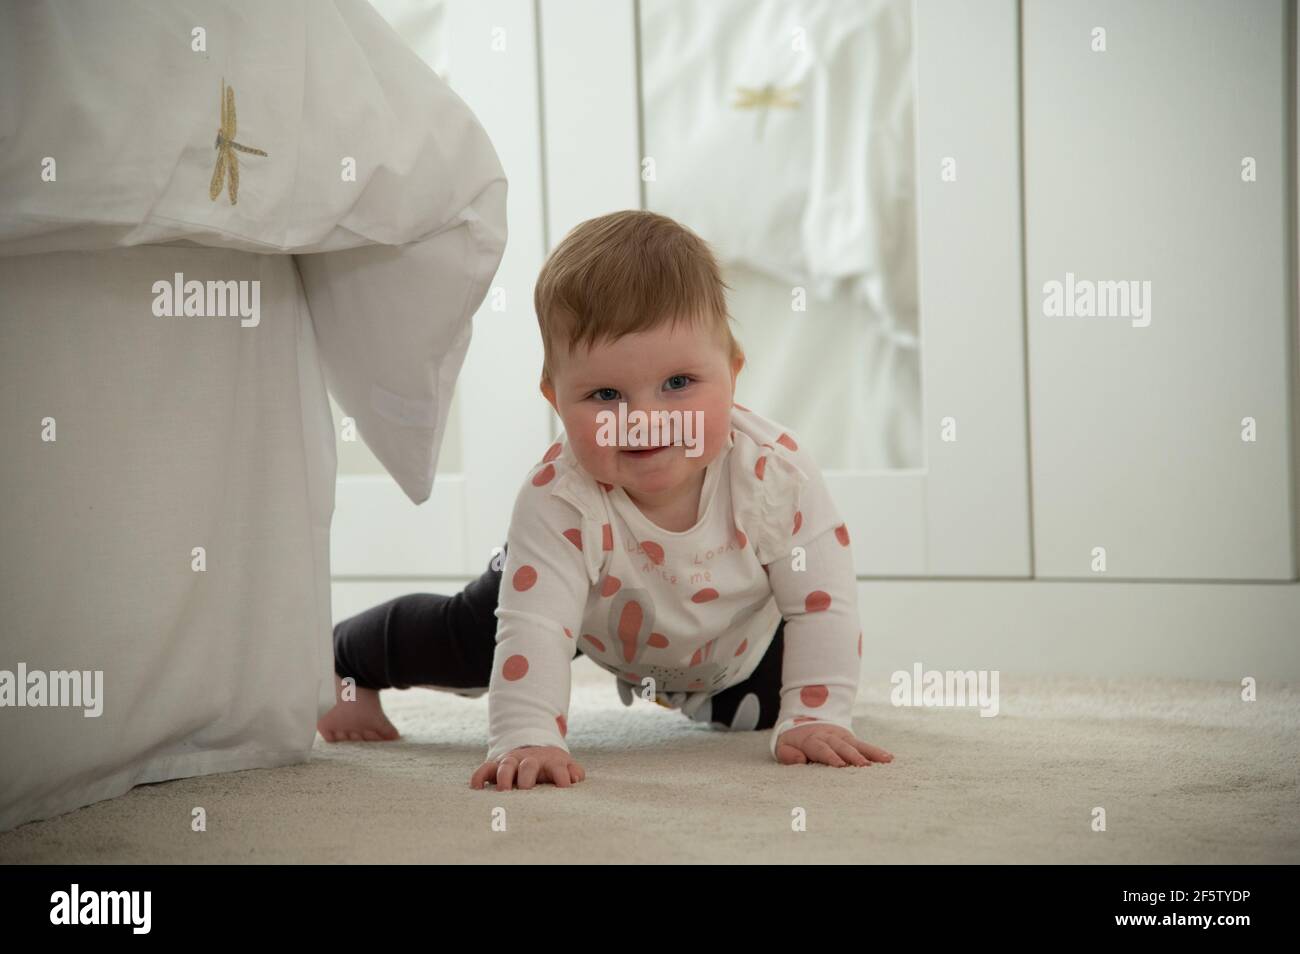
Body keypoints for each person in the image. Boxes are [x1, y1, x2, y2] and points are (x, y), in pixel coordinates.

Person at [317, 210, 894, 790]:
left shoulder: (775, 476)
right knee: (466, 644)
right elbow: (536, 626)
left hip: (728, 634)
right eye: (606, 395)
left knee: (779, 706)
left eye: (678, 384)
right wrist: (528, 736)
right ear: (556, 398)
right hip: (579, 605)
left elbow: (822, 604)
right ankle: (343, 658)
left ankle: (700, 691)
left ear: (733, 372)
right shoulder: (560, 499)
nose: (643, 420)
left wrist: (815, 716)